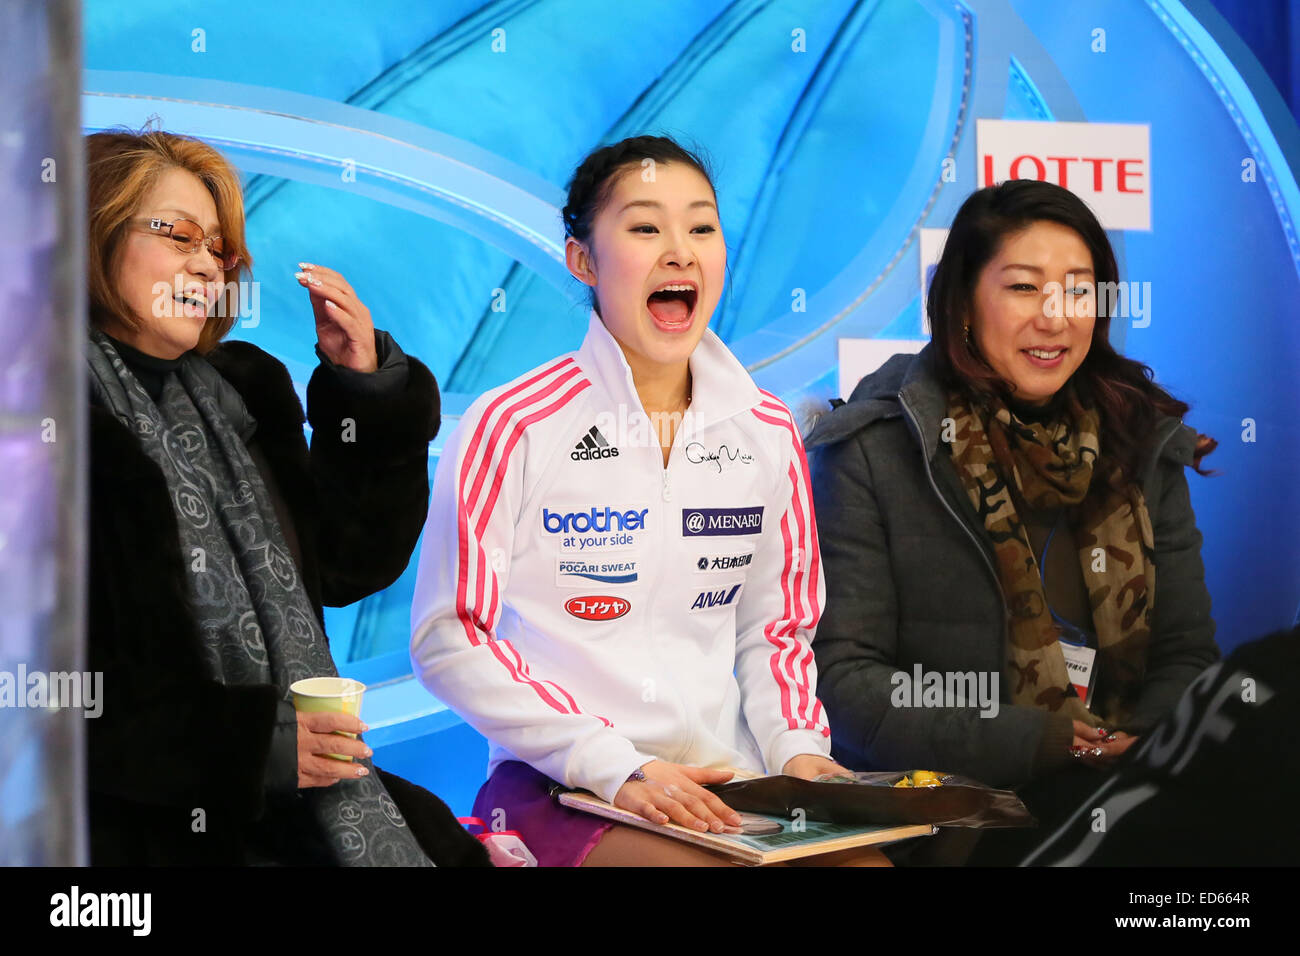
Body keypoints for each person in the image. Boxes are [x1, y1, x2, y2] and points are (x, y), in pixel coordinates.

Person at [410, 135, 884, 866]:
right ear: (581, 260)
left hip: (728, 783)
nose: (680, 251)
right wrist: (615, 765)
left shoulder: (766, 430)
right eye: (644, 228)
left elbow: (775, 632)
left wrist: (799, 754)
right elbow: (451, 636)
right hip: (558, 782)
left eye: (701, 227)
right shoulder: (514, 424)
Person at [85, 127, 486, 866]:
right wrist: (252, 750)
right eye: (177, 235)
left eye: (220, 250)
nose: (205, 264)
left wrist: (366, 390)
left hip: (293, 804)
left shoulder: (244, 392)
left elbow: (346, 562)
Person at [805, 179, 1219, 864]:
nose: (1055, 318)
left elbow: (1186, 655)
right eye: (1024, 288)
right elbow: (847, 686)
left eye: (1079, 290)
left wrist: (1139, 740)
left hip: (1124, 798)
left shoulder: (1141, 443)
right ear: (964, 303)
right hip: (952, 819)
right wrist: (1045, 740)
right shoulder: (876, 449)